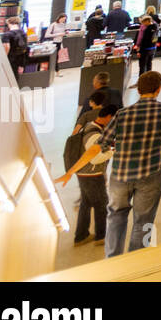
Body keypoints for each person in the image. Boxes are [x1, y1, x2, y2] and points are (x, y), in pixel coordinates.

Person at [58, 71, 161, 258]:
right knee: (144, 219)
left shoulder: (122, 114)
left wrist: (71, 171)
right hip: (151, 175)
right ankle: (137, 259)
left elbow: (97, 148)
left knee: (116, 215)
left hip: (121, 176)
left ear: (139, 90)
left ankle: (113, 259)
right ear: (158, 90)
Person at [60, 103, 117, 247]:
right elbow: (95, 157)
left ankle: (81, 236)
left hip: (84, 173)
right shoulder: (95, 134)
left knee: (86, 203)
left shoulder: (89, 126)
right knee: (101, 204)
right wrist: (112, 151)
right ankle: (101, 236)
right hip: (92, 174)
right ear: (109, 117)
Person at [2, 16, 30, 83]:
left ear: (9, 23)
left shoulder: (7, 34)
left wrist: (4, 57)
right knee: (16, 76)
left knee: (9, 76)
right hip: (21, 57)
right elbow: (26, 45)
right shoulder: (23, 32)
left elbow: (7, 47)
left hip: (12, 57)